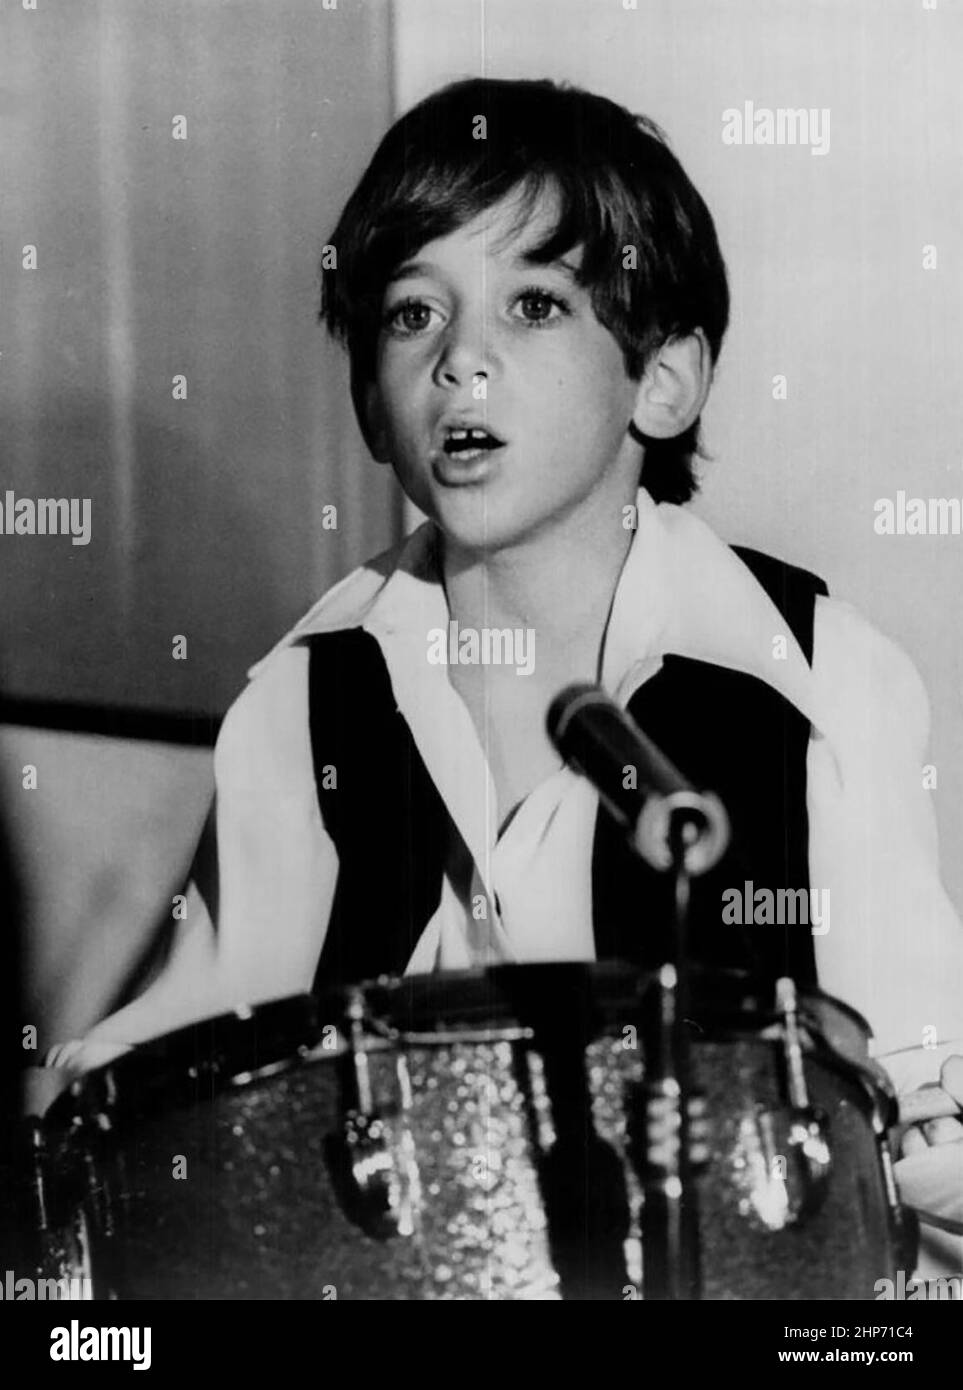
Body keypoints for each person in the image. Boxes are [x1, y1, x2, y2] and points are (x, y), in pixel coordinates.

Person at [40, 78, 963, 1265]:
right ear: (369, 405)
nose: (462, 362)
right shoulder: (298, 706)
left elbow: (919, 1103)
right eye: (412, 315)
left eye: (534, 304)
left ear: (664, 379)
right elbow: (189, 1079)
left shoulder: (819, 679)